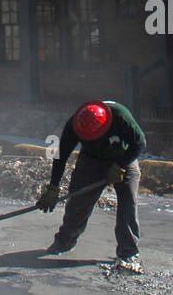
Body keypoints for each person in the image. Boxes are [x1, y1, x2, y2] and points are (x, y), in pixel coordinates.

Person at [36, 99, 146, 272]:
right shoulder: (75, 124)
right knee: (78, 201)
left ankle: (128, 252)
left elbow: (140, 143)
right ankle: (64, 241)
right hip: (91, 160)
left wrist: (119, 166)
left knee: (128, 204)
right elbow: (61, 156)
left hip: (124, 157)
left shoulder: (120, 116)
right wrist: (53, 186)